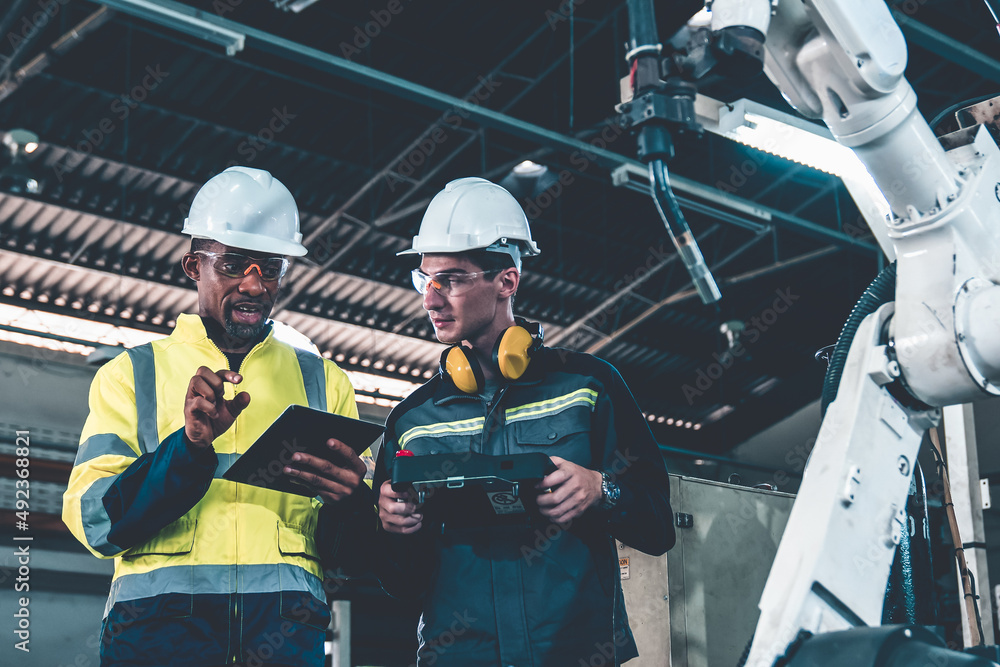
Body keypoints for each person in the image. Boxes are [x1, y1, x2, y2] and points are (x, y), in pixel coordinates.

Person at [62, 166, 373, 667]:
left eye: (269, 268)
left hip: (284, 640)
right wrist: (186, 450)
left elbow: (352, 556)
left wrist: (355, 502)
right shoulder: (132, 375)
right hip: (158, 641)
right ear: (193, 266)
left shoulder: (324, 382)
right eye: (233, 265)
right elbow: (96, 522)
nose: (253, 284)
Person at [374, 177, 676, 667]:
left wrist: (603, 489)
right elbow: (400, 584)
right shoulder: (413, 420)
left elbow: (659, 527)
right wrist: (393, 528)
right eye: (424, 281)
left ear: (506, 281)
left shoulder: (589, 387)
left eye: (449, 280)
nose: (430, 300)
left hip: (576, 653)